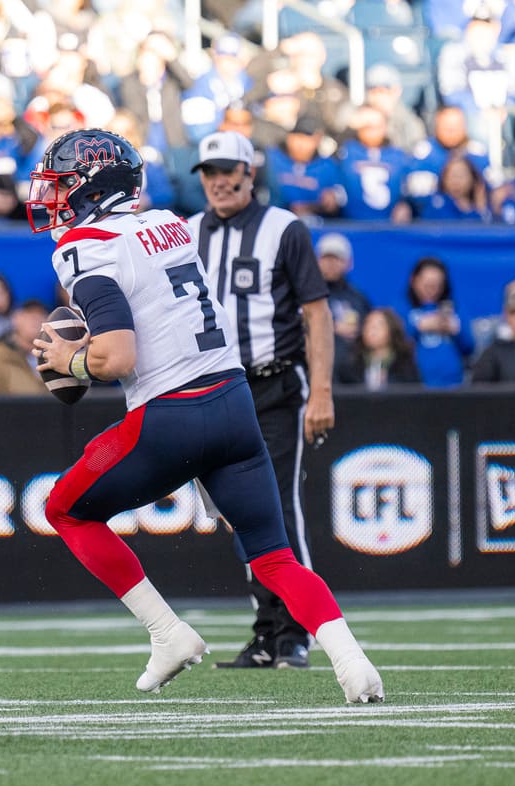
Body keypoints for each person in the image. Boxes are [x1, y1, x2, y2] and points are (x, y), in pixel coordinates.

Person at [26, 128, 380, 702]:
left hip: (172, 412)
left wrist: (74, 360)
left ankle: (167, 634)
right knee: (275, 557)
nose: (53, 197)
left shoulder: (85, 246)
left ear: (93, 188)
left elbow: (118, 356)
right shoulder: (168, 224)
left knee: (64, 509)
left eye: (63, 184)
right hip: (234, 403)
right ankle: (353, 661)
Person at [184, 130, 336, 671]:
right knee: (238, 513)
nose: (219, 181)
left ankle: (298, 630)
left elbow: (316, 312)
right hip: (216, 389)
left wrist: (322, 390)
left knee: (279, 507)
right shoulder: (185, 233)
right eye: (209, 172)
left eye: (229, 170)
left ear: (250, 174)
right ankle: (268, 631)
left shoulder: (283, 228)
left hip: (274, 385)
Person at [405, 257, 475, 387]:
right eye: (427, 284)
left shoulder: (455, 308)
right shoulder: (403, 307)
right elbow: (394, 342)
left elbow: (469, 346)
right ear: (414, 281)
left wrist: (455, 330)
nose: (432, 290)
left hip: (453, 384)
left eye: (437, 285)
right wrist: (419, 327)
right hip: (416, 385)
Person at [0, 299, 51, 396]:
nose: (35, 319)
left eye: (41, 315)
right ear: (16, 319)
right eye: (29, 314)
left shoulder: (53, 358)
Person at [315, 233, 372, 367]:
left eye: (336, 258)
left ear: (349, 262)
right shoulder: (306, 295)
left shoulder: (358, 298)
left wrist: (361, 330)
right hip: (315, 366)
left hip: (352, 369)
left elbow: (371, 330)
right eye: (326, 258)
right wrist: (332, 327)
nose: (331, 264)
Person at [334, 308, 423, 389]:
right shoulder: (351, 361)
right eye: (368, 325)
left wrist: (388, 382)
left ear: (391, 330)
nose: (371, 330)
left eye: (378, 326)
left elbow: (414, 391)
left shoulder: (405, 363)